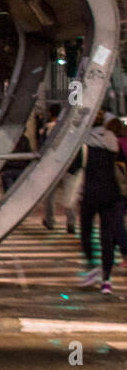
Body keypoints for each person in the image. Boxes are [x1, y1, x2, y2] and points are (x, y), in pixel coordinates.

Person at [77, 114, 127, 294]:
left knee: (86, 231)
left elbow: (73, 167)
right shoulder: (112, 140)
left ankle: (92, 266)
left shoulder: (83, 142)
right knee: (107, 236)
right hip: (111, 193)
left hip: (90, 193)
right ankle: (106, 280)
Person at [40, 104, 80, 233]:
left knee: (50, 194)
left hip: (53, 165)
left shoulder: (48, 128)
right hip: (71, 165)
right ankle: (71, 222)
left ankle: (50, 220)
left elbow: (43, 149)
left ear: (51, 114)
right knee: (70, 195)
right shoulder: (72, 128)